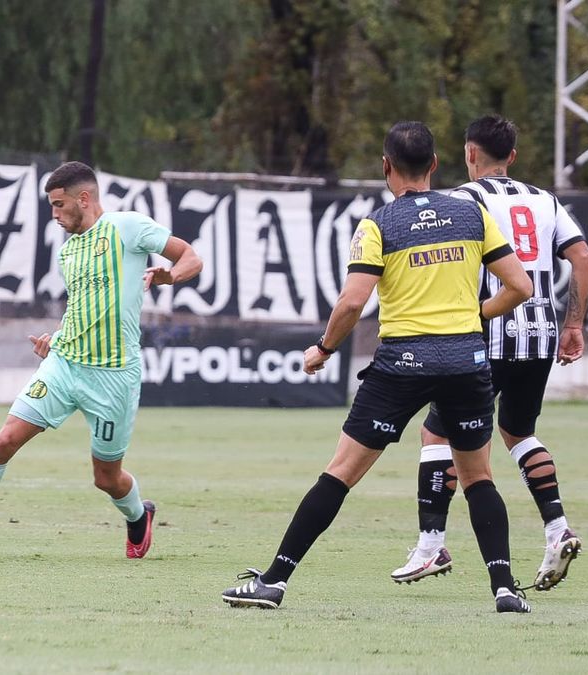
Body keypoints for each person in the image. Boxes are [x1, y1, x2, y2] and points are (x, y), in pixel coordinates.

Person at [221, 121, 535, 613]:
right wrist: (471, 316)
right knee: (478, 478)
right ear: (434, 165)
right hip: (465, 363)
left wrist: (323, 349)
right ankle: (505, 589)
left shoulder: (378, 225)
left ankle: (274, 581)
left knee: (340, 474)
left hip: (401, 367)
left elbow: (351, 304)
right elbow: (520, 287)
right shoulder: (472, 213)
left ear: (386, 167)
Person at [0, 161, 202, 560]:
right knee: (5, 440)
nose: (54, 216)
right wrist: (55, 339)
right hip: (65, 365)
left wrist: (169, 276)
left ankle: (139, 515)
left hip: (114, 378)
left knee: (106, 478)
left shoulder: (129, 228)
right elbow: (82, 308)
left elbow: (192, 257)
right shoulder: (69, 251)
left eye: (59, 205)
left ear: (83, 199)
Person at [391, 115, 588, 590]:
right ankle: (556, 528)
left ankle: (430, 545)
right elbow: (582, 257)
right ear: (514, 157)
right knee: (518, 430)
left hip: (484, 334)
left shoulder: (464, 199)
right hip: (541, 333)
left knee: (436, 436)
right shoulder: (545, 200)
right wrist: (575, 324)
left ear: (469, 154)